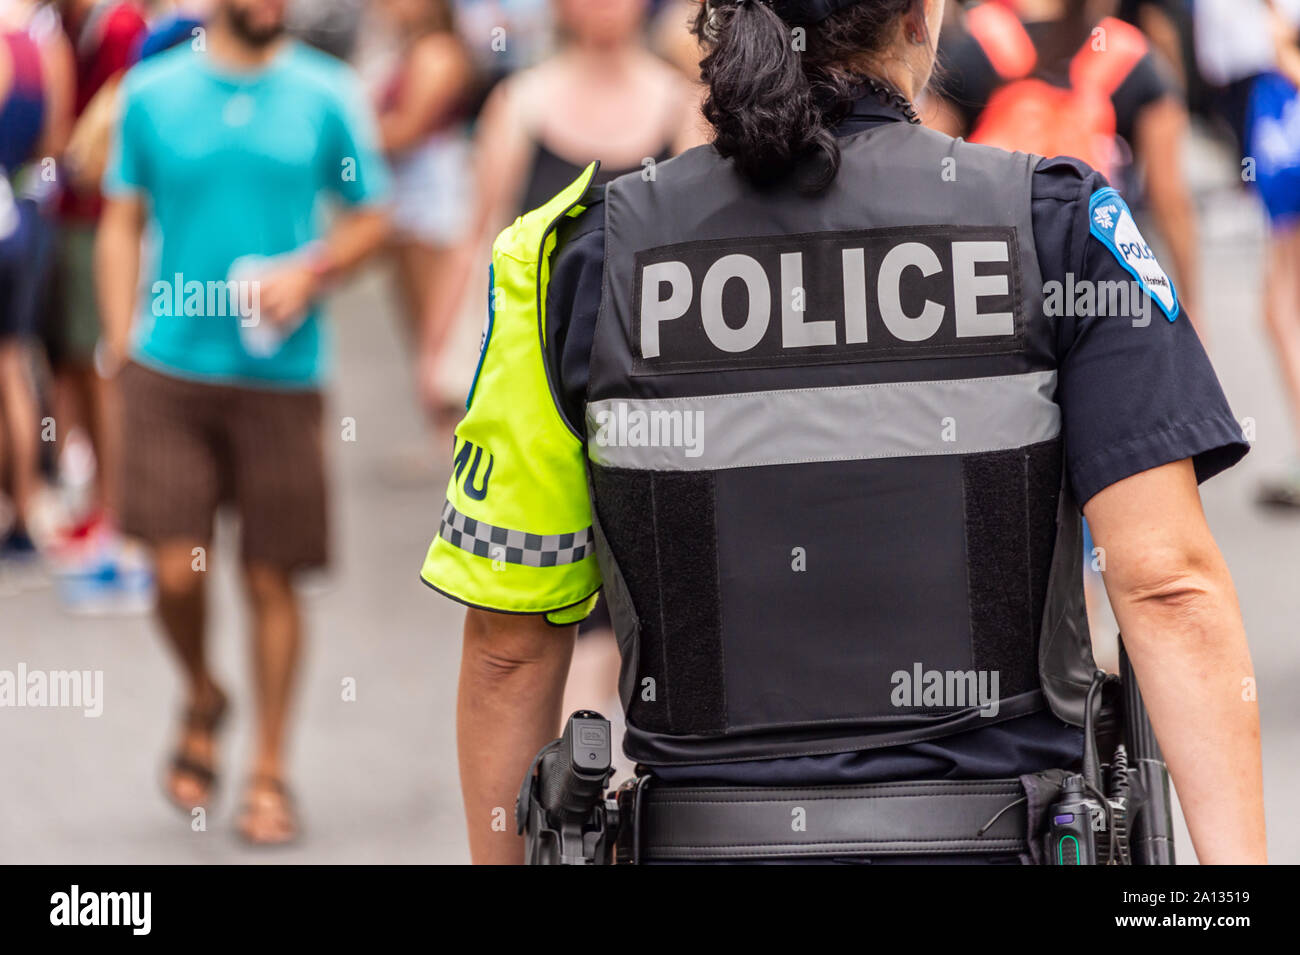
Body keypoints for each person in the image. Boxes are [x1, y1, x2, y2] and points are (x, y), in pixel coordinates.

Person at [420, 0, 1267, 864]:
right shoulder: (1057, 226)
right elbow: (1168, 589)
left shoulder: (573, 260)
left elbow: (508, 651)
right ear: (919, 14)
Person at [97, 0, 390, 844]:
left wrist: (315, 268)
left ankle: (268, 770)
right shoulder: (151, 93)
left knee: (271, 576)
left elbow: (372, 215)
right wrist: (117, 347)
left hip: (281, 378)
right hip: (169, 369)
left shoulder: (326, 92)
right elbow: (121, 217)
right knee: (174, 573)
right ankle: (201, 689)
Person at [929, 0, 1202, 335]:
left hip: (993, 278)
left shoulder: (976, 45)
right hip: (1097, 280)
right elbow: (1170, 198)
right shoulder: (1132, 58)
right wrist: (1190, 302)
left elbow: (932, 168)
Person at [0, 0, 73, 568]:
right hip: (23, 215)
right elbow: (54, 144)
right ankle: (25, 507)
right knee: (16, 364)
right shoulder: (44, 44)